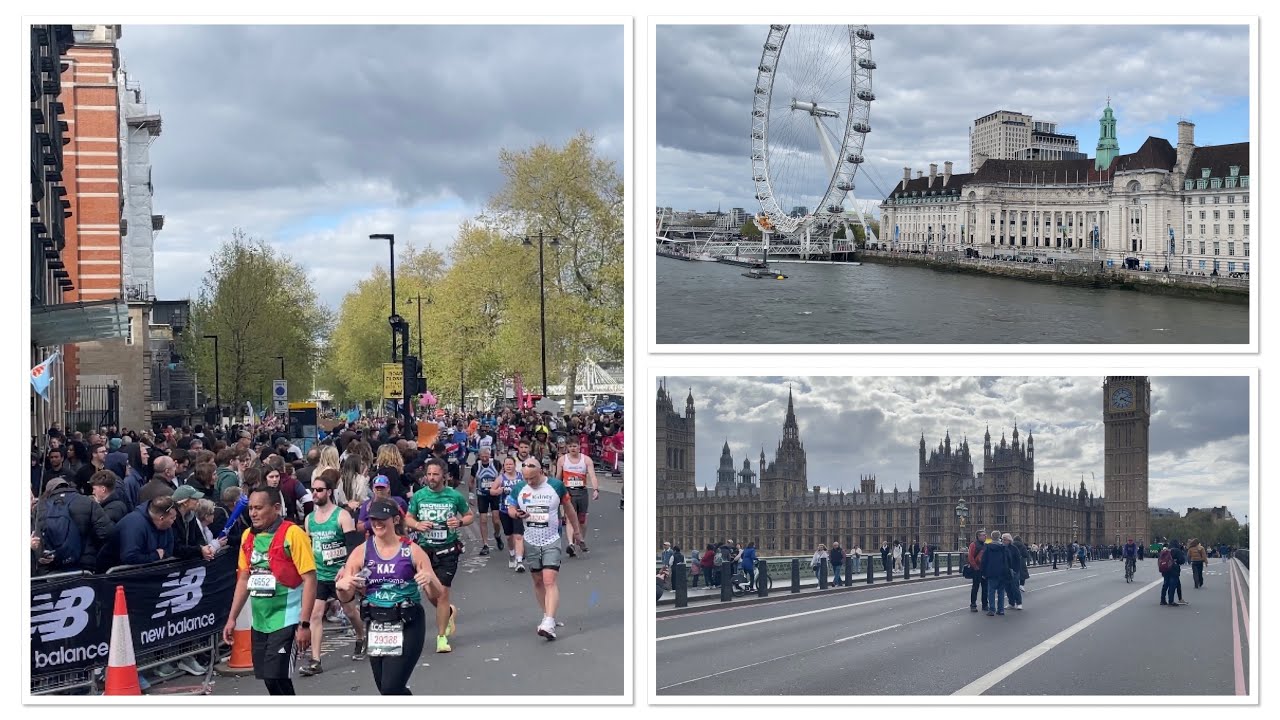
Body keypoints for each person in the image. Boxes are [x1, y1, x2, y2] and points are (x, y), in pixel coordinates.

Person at [335, 499, 444, 695]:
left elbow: (436, 596)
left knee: (391, 687)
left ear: (394, 520)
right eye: (373, 520)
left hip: (408, 622)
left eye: (382, 519)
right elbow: (346, 597)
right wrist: (341, 588)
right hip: (376, 622)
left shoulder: (412, 550)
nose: (377, 524)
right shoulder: (361, 552)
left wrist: (430, 581)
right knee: (386, 690)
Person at [222, 486, 317, 696]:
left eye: (259, 508)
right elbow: (244, 579)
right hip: (260, 620)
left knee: (276, 675)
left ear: (275, 508)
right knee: (270, 680)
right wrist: (232, 619)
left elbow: (310, 579)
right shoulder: (248, 536)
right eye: (251, 509)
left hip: (287, 619)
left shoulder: (293, 534)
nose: (253, 513)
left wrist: (305, 624)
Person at [506, 455, 582, 640]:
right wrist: (517, 514)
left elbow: (569, 508)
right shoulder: (519, 488)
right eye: (526, 478)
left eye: (533, 478)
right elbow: (510, 507)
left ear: (541, 471)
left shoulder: (556, 486)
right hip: (531, 540)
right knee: (538, 582)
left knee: (549, 581)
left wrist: (577, 531)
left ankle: (548, 622)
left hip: (551, 540)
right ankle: (548, 614)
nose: (529, 481)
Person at [300, 469, 366, 677]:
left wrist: (345, 567)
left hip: (340, 575)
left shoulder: (342, 515)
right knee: (315, 615)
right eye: (313, 490)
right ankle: (315, 660)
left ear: (329, 492)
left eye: (319, 490)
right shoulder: (309, 519)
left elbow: (353, 546)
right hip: (320, 575)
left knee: (349, 612)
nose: (315, 493)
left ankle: (360, 635)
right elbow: (310, 546)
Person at [405, 459, 473, 654]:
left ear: (444, 475)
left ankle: (441, 637)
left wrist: (459, 522)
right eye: (429, 474)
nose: (431, 478)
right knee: (431, 594)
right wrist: (417, 525)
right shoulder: (419, 496)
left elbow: (469, 515)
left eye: (435, 474)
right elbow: (408, 518)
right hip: (425, 552)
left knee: (442, 593)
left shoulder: (454, 496)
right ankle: (449, 612)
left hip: (448, 551)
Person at [33, 478, 114, 573]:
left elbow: (35, 538)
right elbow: (106, 532)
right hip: (84, 567)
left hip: (53, 568)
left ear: (48, 491)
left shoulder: (40, 508)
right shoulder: (87, 502)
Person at [105, 495, 177, 569]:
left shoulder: (166, 526)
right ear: (161, 518)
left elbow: (169, 549)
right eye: (172, 518)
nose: (174, 520)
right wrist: (155, 555)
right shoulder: (134, 525)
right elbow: (129, 557)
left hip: (150, 571)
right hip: (116, 573)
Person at [555, 437, 600, 554]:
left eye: (575, 446)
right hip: (568, 492)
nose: (572, 448)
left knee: (582, 520)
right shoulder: (562, 460)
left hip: (582, 491)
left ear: (579, 446)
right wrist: (556, 491)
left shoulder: (586, 460)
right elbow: (558, 477)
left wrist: (595, 489)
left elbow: (592, 476)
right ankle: (571, 544)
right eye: (570, 446)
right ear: (567, 448)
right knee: (570, 518)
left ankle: (580, 540)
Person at [470, 446, 504, 556]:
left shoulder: (496, 464)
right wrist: (471, 495)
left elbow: (502, 477)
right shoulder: (476, 466)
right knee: (483, 520)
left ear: (490, 455)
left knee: (496, 519)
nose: (484, 458)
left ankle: (497, 535)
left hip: (494, 495)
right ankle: (485, 544)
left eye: (486, 456)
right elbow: (471, 481)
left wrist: (502, 490)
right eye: (482, 456)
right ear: (479, 456)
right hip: (482, 495)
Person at [494, 456, 526, 571]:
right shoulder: (501, 478)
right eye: (506, 464)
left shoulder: (521, 477)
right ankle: (512, 554)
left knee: (518, 535)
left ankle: (519, 561)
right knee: (509, 537)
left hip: (517, 510)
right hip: (504, 510)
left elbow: (529, 487)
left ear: (514, 465)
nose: (508, 466)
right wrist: (498, 491)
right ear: (504, 466)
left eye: (510, 464)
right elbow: (492, 491)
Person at [982, 531, 1010, 616]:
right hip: (1002, 572)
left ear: (991, 537)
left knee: (991, 591)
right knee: (1001, 591)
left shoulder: (987, 547)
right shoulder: (1003, 547)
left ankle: (992, 610)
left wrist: (984, 572)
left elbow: (984, 561)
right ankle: (1001, 610)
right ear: (999, 537)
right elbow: (1008, 560)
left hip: (991, 572)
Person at [968, 530, 989, 612]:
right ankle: (973, 605)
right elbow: (970, 557)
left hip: (984, 570)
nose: (985, 537)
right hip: (977, 569)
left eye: (985, 535)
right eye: (983, 535)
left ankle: (985, 605)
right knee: (975, 588)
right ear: (978, 536)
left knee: (985, 588)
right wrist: (975, 567)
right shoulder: (973, 544)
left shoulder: (986, 545)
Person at [1003, 534, 1024, 610]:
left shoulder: (1014, 548)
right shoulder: (1002, 548)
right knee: (1007, 588)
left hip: (1014, 570)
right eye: (1003, 539)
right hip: (1005, 571)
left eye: (1005, 539)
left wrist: (1015, 570)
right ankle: (1011, 603)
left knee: (1015, 587)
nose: (1003, 541)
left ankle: (1019, 603)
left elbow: (1018, 560)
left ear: (1009, 540)